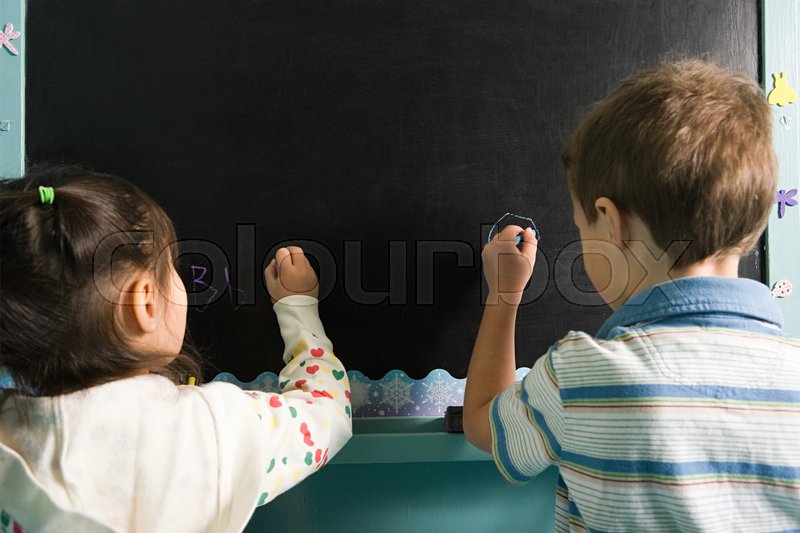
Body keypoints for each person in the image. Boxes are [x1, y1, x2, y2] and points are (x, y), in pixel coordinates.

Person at [463, 60, 800, 532]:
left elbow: (483, 424)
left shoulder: (583, 375)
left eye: (582, 228)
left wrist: (504, 294)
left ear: (611, 222)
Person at [0, 166, 352, 532]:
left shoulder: (9, 436)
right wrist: (298, 309)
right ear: (146, 304)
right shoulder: (216, 429)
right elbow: (328, 415)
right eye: (173, 268)